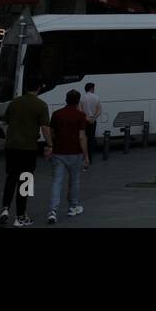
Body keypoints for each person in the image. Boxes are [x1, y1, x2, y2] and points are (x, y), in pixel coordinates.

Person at [0, 75, 51, 227]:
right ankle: (21, 215)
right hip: (28, 148)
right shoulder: (41, 105)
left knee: (11, 178)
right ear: (39, 88)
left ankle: (5, 209)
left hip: (11, 146)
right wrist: (50, 144)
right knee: (25, 180)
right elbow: (45, 127)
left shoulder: (14, 102)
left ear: (26, 88)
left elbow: (6, 121)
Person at [46, 89, 90, 224]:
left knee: (56, 182)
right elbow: (81, 137)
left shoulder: (57, 114)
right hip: (75, 153)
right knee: (74, 180)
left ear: (66, 99)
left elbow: (51, 133)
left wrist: (51, 146)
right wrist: (86, 156)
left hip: (58, 152)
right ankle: (73, 206)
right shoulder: (80, 115)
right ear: (78, 101)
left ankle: (53, 211)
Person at [79, 82, 101, 147]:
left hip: (85, 121)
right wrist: (93, 118)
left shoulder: (82, 98)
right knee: (91, 137)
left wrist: (86, 118)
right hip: (93, 121)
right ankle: (90, 153)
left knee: (85, 137)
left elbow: (80, 111)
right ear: (91, 89)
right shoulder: (96, 97)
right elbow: (99, 110)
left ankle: (85, 152)